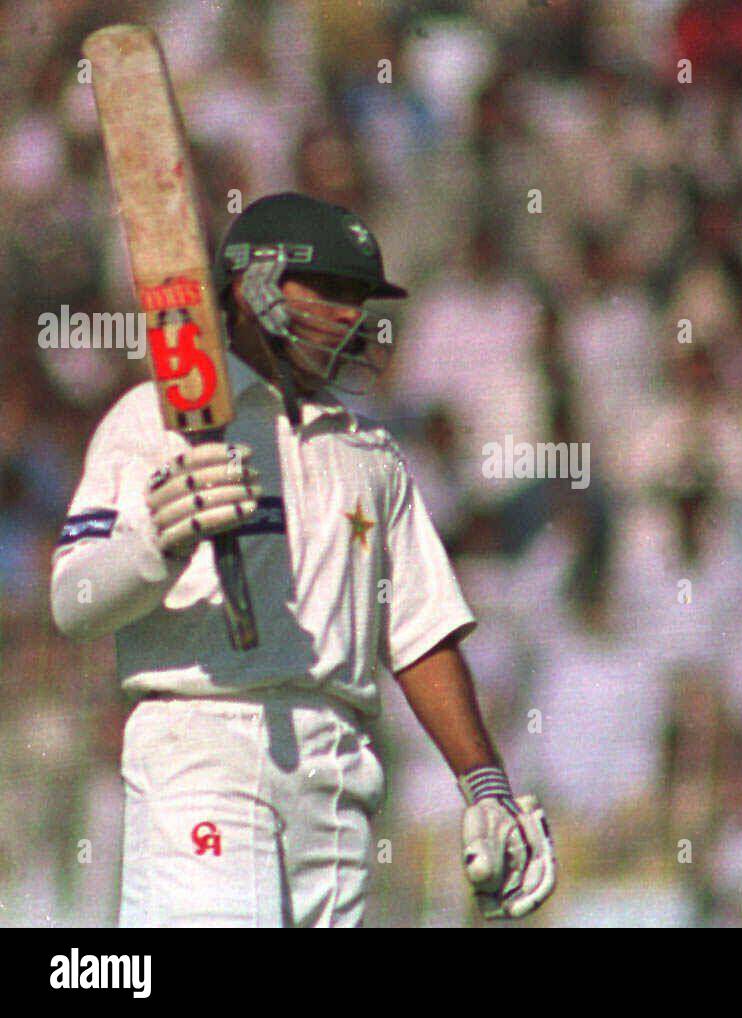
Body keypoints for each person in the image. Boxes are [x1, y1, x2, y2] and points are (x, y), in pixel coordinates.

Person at [50, 192, 556, 927]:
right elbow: (72, 602)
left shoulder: (370, 455)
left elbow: (421, 636)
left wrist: (486, 786)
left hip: (339, 769)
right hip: (203, 741)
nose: (350, 316)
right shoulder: (153, 419)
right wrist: (152, 549)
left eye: (358, 298)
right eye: (328, 291)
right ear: (251, 287)